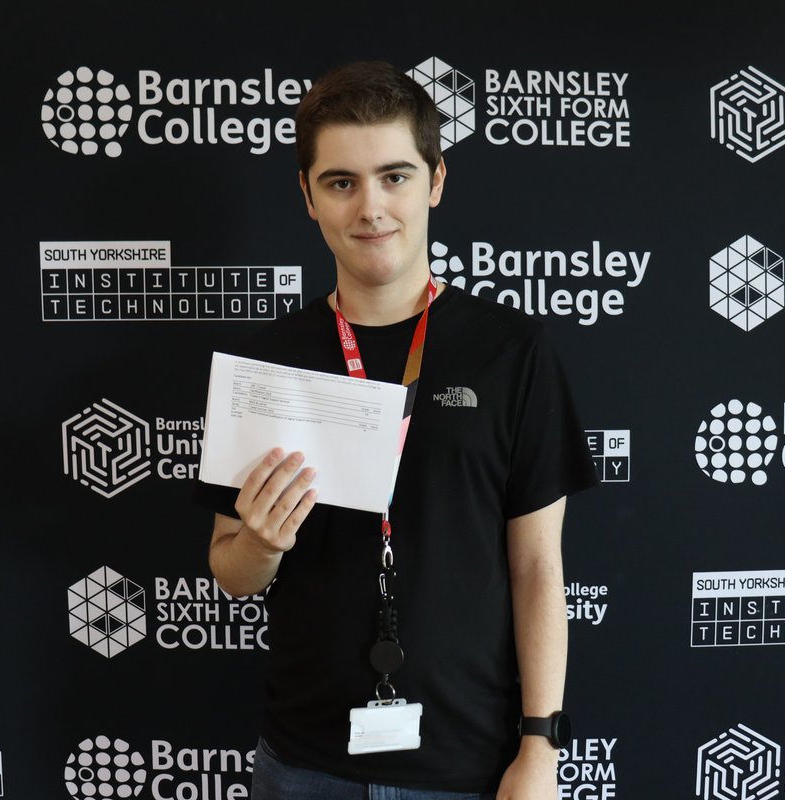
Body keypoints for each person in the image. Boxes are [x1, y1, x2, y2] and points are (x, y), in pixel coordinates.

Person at [194, 61, 597, 799]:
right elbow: (231, 572)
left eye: (395, 177)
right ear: (308, 196)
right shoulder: (266, 366)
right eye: (341, 182)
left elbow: (538, 568)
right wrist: (261, 543)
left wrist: (540, 746)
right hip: (304, 765)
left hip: (468, 766)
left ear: (435, 181)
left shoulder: (511, 351)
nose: (371, 208)